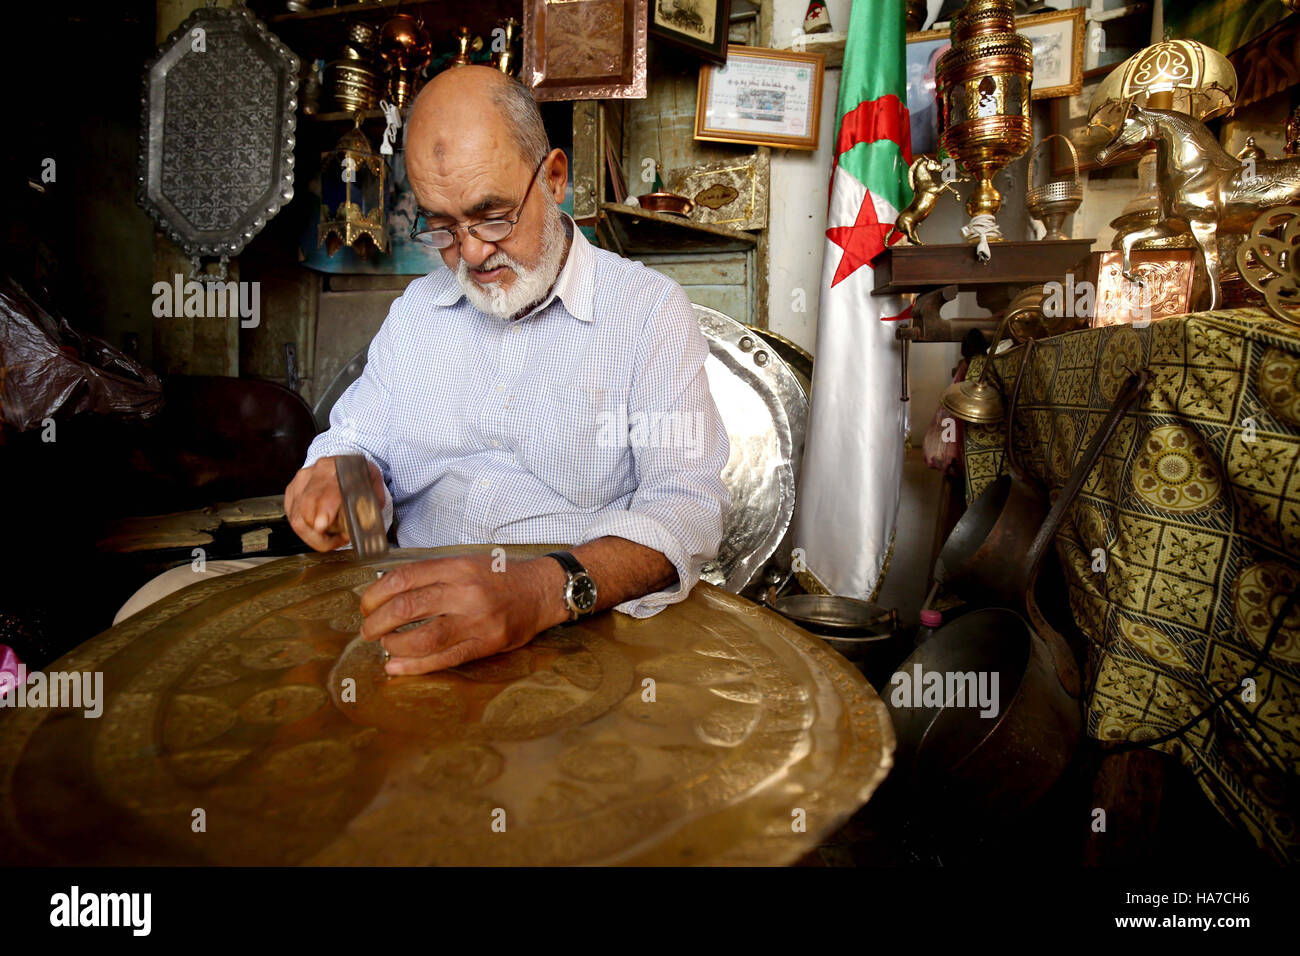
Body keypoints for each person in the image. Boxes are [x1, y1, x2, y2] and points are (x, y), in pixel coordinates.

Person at [115, 66, 730, 675]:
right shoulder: (418, 312)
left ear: (555, 178)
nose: (470, 253)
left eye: (492, 216)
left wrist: (541, 592)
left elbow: (686, 508)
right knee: (155, 609)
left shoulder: (648, 315)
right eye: (441, 225)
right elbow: (359, 453)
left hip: (557, 621)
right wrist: (340, 501)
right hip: (398, 591)